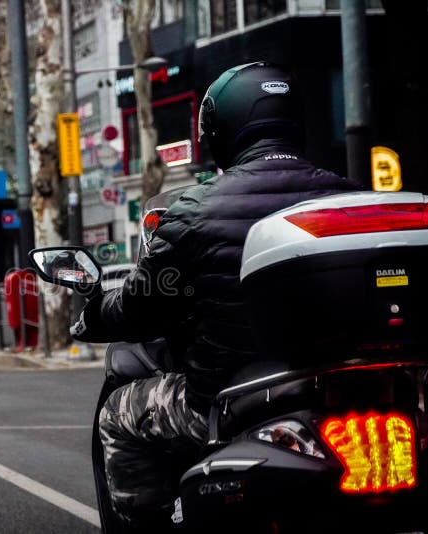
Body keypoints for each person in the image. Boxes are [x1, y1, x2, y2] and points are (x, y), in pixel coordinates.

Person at [71, 62, 361, 527]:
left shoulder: (193, 212)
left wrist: (95, 313)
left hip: (225, 403)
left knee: (116, 415)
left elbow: (138, 310)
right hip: (338, 391)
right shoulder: (349, 197)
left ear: (223, 130)